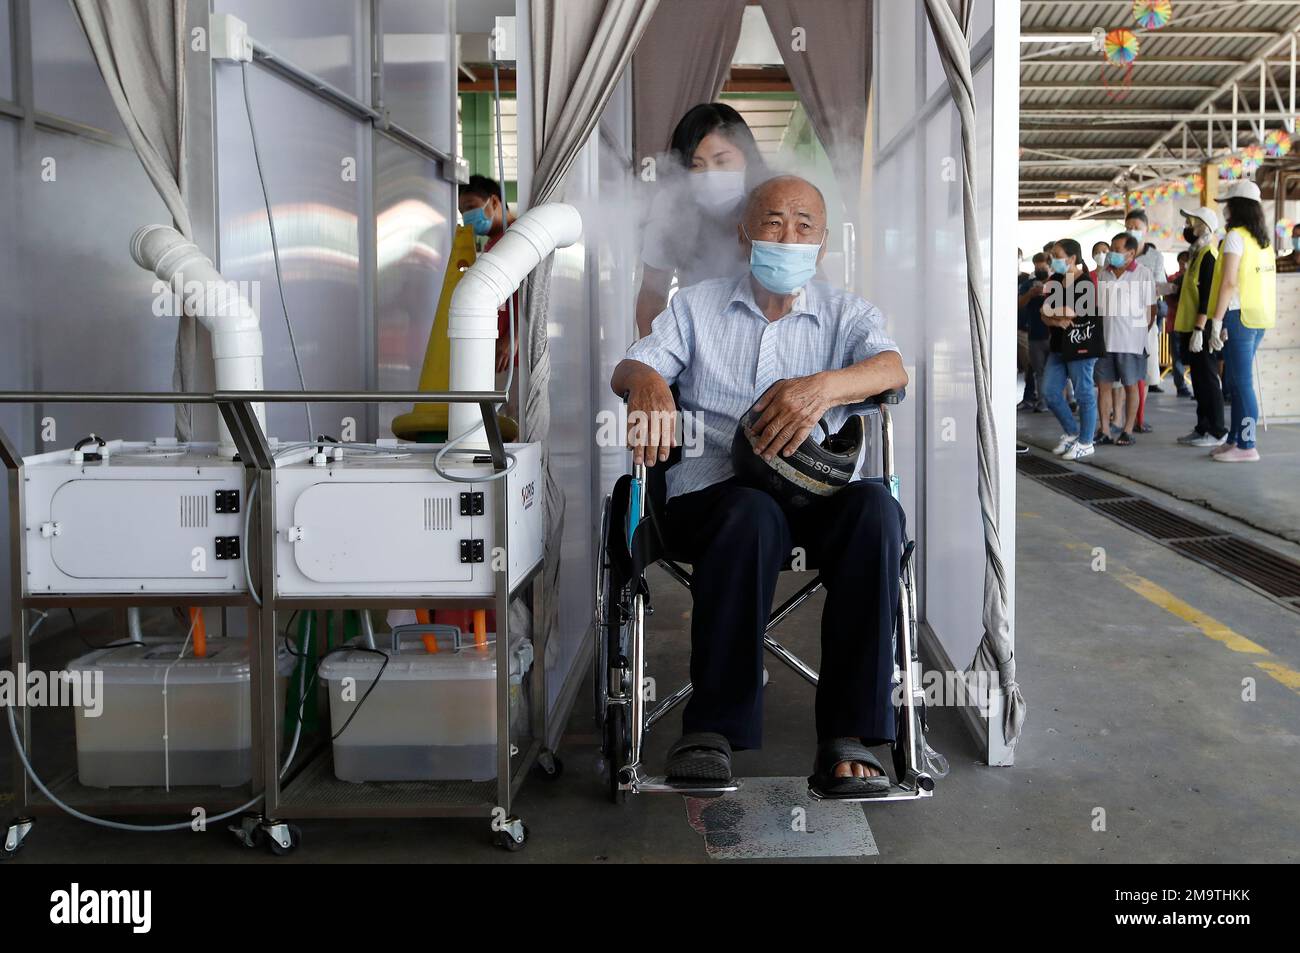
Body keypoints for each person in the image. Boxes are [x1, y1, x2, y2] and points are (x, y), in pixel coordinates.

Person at [611, 175, 908, 792]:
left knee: (877, 510)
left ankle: (849, 735)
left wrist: (821, 387)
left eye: (805, 225)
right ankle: (713, 729)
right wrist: (646, 381)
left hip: (814, 496)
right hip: (715, 500)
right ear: (745, 234)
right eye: (773, 221)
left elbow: (891, 368)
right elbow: (634, 362)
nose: (788, 235)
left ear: (823, 244)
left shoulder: (847, 314)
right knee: (751, 512)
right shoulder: (694, 306)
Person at [636, 103, 768, 336]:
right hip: (699, 340)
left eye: (722, 161)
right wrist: (651, 363)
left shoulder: (773, 201)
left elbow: (813, 284)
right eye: (696, 165)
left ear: (747, 157)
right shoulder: (670, 207)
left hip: (767, 336)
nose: (710, 174)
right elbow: (651, 298)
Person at [1206, 179, 1276, 462]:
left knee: (1242, 383)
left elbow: (1229, 282)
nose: (1225, 211)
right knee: (1235, 381)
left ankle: (1247, 445)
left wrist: (1216, 321)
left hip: (1238, 315)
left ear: (1237, 207)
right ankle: (1235, 439)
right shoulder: (1263, 241)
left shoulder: (1235, 237)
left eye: (1228, 205)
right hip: (1258, 316)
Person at [1039, 239, 1103, 461]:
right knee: (1049, 391)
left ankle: (1086, 442)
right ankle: (1072, 432)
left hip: (1081, 346)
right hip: (1058, 346)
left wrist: (1052, 311)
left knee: (1084, 393)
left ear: (1072, 258)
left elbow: (1070, 312)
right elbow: (1044, 314)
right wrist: (1055, 318)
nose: (1052, 260)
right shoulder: (1055, 280)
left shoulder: (1085, 282)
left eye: (1057, 255)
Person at [1095, 232, 1156, 447]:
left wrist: (1139, 334)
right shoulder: (1104, 274)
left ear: (1131, 252)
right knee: (1103, 387)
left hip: (1131, 343)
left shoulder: (1143, 273)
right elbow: (1100, 307)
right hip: (1105, 341)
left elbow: (1151, 309)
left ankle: (1128, 430)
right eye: (1111, 248)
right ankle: (1104, 429)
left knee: (1131, 386)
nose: (1112, 253)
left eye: (1117, 249)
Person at [1173, 206, 1226, 448]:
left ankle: (1217, 430)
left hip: (1200, 329)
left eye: (1191, 223)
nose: (1187, 228)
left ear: (1204, 227)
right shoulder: (1195, 255)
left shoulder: (1209, 256)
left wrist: (1199, 330)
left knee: (1208, 378)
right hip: (1190, 327)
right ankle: (1202, 426)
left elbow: (1208, 296)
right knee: (1199, 381)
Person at [458, 174, 519, 375]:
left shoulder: (519, 237)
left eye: (469, 207)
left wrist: (513, 339)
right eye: (462, 211)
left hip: (514, 356)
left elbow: (537, 295)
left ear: (494, 202)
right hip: (498, 353)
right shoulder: (494, 242)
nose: (466, 216)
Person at [1124, 209, 1168, 420]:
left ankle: (1139, 417)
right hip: (1121, 321)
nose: (1132, 231)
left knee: (1145, 372)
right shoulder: (1119, 253)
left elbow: (1159, 286)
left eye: (1137, 228)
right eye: (1128, 227)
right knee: (1123, 372)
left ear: (1146, 230)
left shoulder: (1155, 257)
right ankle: (1122, 417)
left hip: (1146, 320)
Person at [1017, 253, 1051, 410]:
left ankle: (1067, 399)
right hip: (1035, 334)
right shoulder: (1028, 284)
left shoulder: (1057, 282)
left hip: (1054, 333)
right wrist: (1030, 294)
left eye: (1042, 266)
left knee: (1058, 369)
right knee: (1039, 370)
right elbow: (1019, 304)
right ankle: (1043, 401)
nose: (1039, 269)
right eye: (1036, 266)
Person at [1165, 250, 1192, 397]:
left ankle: (1197, 387)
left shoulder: (1195, 277)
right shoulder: (1172, 278)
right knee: (1177, 358)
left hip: (1192, 324)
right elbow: (1168, 300)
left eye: (1187, 260)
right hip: (1175, 322)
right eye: (1182, 261)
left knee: (1195, 357)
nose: (1184, 263)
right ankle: (1181, 386)